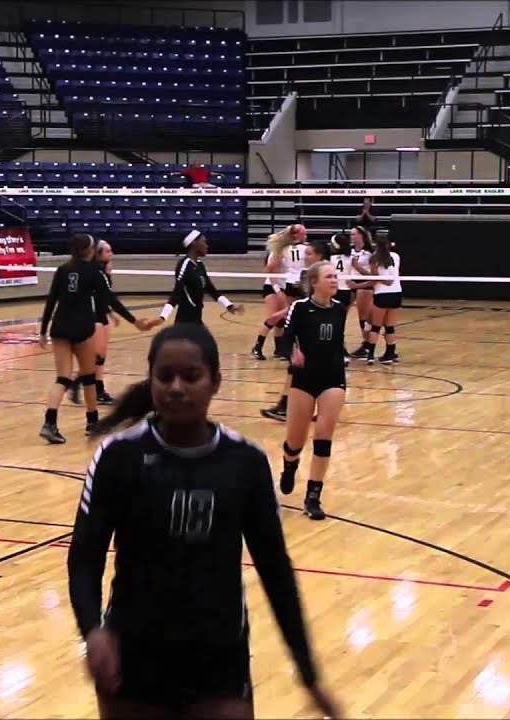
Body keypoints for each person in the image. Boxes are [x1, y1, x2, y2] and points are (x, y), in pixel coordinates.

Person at [69, 322, 340, 720]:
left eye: (191, 376)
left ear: (216, 381)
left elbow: (276, 572)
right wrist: (92, 630)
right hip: (133, 658)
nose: (176, 387)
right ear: (151, 380)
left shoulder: (245, 463)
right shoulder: (118, 456)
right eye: (164, 376)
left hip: (219, 658)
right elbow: (84, 557)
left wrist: (308, 673)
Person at [40, 233, 156, 444]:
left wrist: (42, 331)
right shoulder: (93, 272)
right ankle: (92, 421)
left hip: (59, 328)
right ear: (88, 251)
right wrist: (134, 321)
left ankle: (50, 422)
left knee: (63, 378)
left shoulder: (62, 270)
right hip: (82, 328)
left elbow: (51, 301)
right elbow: (110, 298)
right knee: (88, 376)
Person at [278, 261, 347, 520]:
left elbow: (337, 343)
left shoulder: (340, 309)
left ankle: (313, 497)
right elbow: (285, 339)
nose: (333, 280)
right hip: (305, 378)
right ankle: (289, 464)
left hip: (333, 378)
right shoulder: (300, 308)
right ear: (315, 282)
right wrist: (291, 354)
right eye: (328, 276)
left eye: (335, 276)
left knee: (323, 436)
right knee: (295, 441)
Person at [260, 240, 332, 422]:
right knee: (302, 371)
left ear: (319, 256)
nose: (304, 257)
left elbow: (314, 304)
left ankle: (288, 407)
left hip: (317, 331)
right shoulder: (309, 275)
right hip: (311, 329)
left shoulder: (322, 276)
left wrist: (281, 314)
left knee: (303, 371)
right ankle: (293, 407)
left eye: (309, 253)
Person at [70, 238, 119, 407]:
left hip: (102, 316)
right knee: (95, 357)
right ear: (98, 254)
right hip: (93, 317)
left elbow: (104, 297)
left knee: (100, 358)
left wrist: (111, 314)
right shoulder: (93, 271)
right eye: (107, 251)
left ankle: (99, 391)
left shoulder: (104, 271)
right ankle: (76, 383)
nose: (111, 254)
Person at [159, 230, 242, 325]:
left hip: (197, 319)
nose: (206, 246)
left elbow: (212, 290)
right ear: (193, 242)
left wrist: (229, 305)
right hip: (185, 322)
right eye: (204, 242)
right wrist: (162, 317)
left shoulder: (200, 265)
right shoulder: (185, 264)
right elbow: (176, 293)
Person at [251, 223, 307, 361]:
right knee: (275, 317)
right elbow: (270, 270)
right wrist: (277, 290)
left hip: (284, 286)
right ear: (296, 235)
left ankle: (279, 349)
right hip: (272, 286)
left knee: (282, 320)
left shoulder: (292, 249)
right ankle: (257, 346)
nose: (306, 236)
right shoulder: (280, 250)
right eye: (303, 233)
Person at [350, 230, 400, 364]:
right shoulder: (395, 256)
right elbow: (389, 278)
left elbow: (374, 280)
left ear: (375, 244)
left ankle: (370, 355)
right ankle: (391, 353)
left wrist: (356, 285)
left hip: (382, 294)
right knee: (389, 326)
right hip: (397, 293)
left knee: (375, 326)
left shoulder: (374, 259)